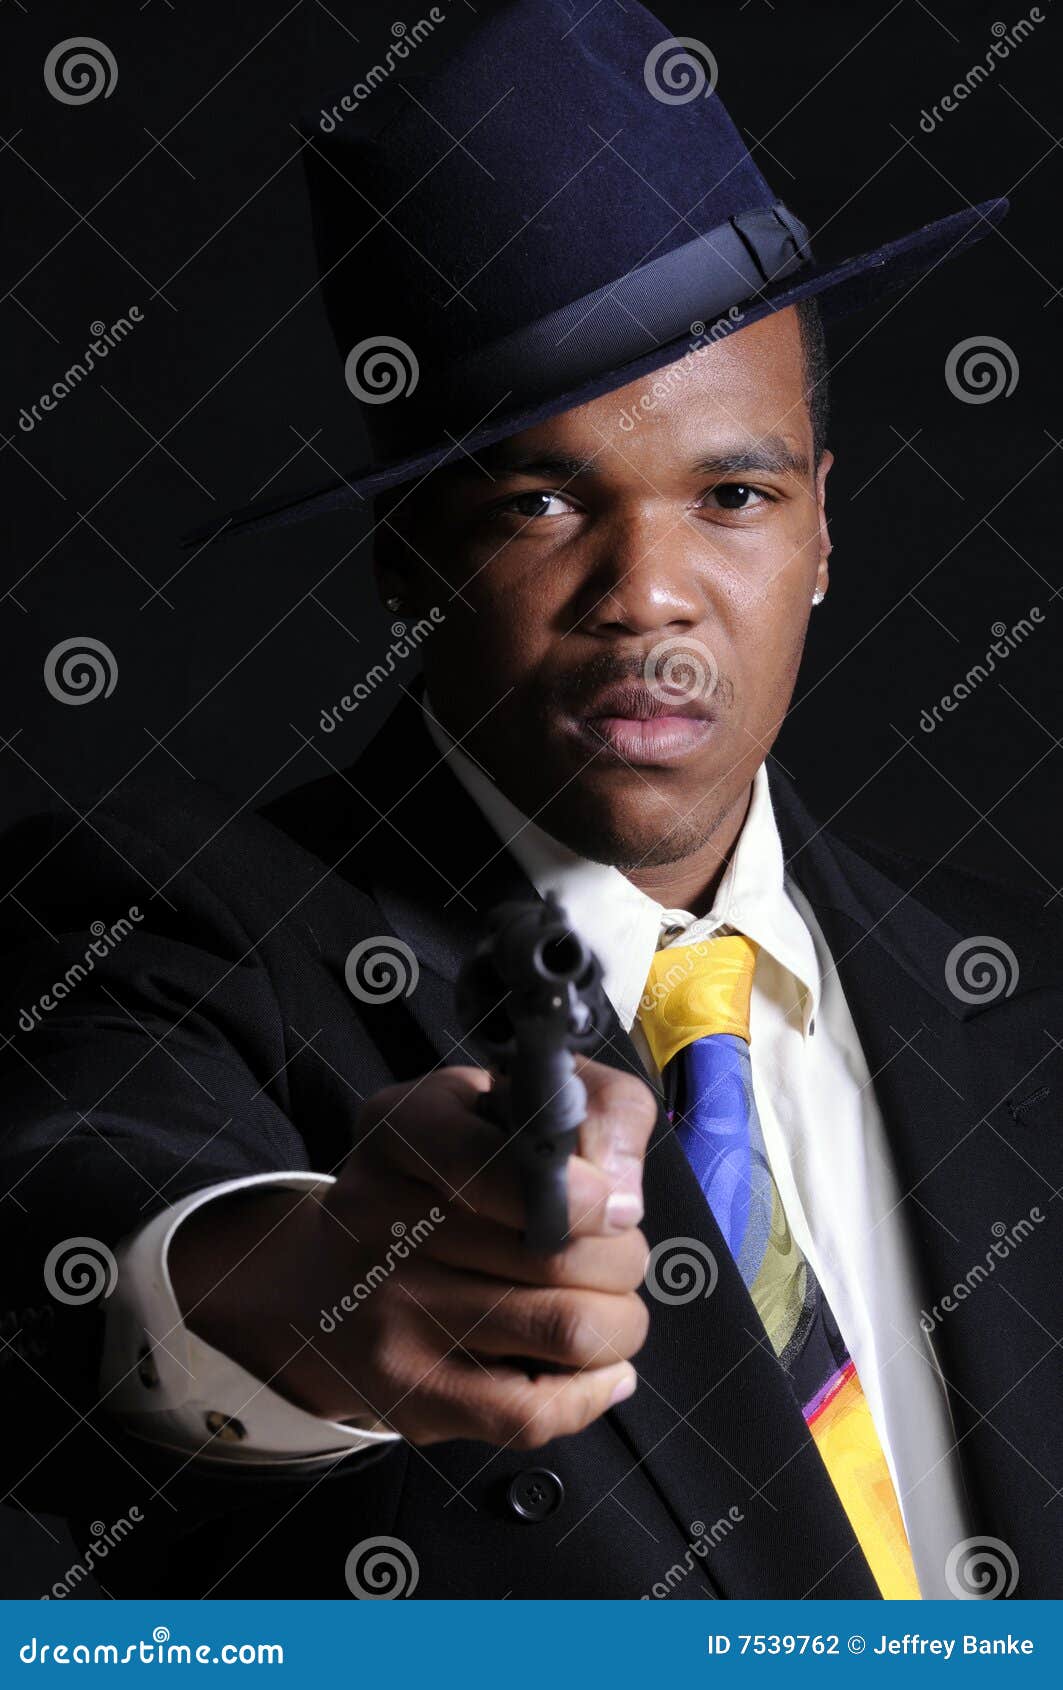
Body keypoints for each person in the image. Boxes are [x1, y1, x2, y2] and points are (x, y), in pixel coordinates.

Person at [1, 0, 1058, 1602]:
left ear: (823, 530)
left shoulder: (1017, 1002)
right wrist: (320, 1294)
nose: (647, 596)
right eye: (540, 499)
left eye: (733, 495)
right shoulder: (180, 933)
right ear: (405, 553)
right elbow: (82, 1225)